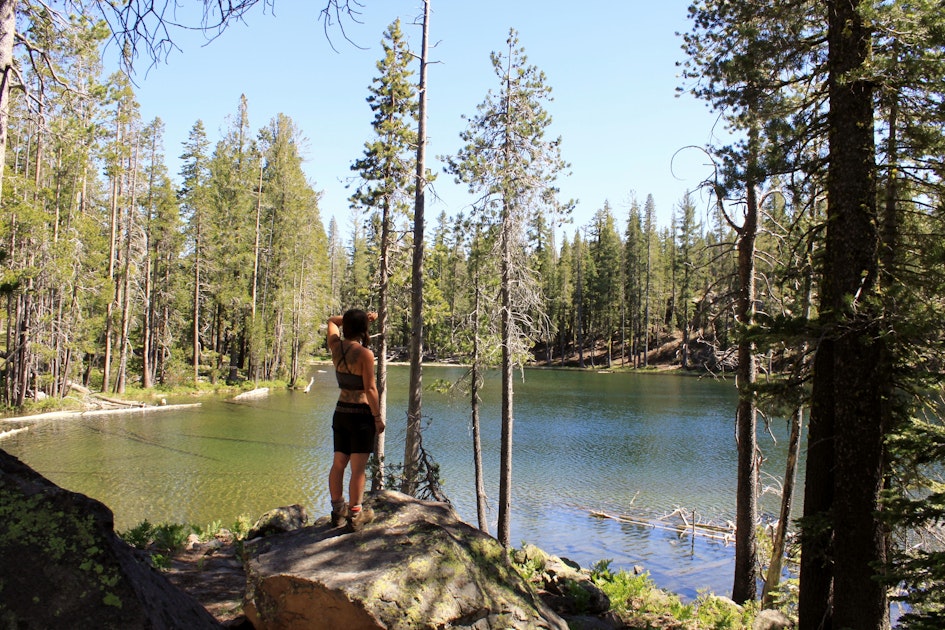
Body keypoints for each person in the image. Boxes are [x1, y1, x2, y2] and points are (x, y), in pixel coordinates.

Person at [326, 309, 384, 531]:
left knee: (339, 462)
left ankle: (337, 511)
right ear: (363, 330)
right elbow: (370, 388)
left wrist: (354, 321)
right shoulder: (364, 355)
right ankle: (356, 514)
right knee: (358, 469)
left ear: (346, 327)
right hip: (360, 414)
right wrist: (377, 418)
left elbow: (332, 320)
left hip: (341, 412)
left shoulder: (335, 346)